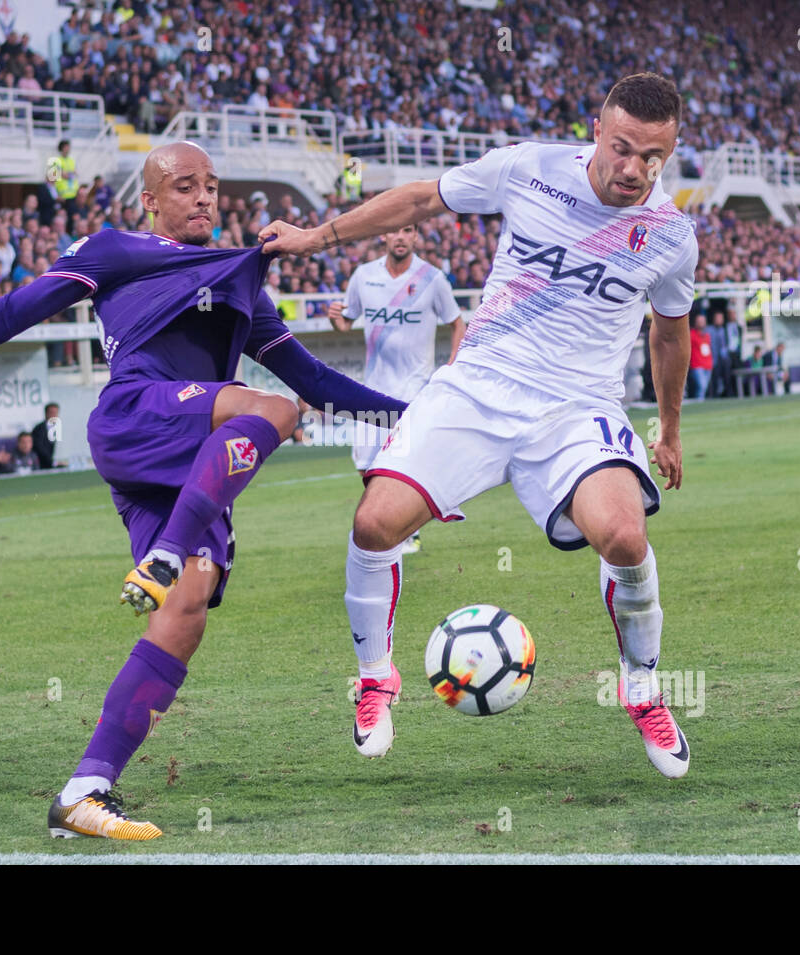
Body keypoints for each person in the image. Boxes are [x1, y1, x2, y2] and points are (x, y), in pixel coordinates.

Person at [0, 141, 405, 840]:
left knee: (189, 605)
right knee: (275, 411)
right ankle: (166, 553)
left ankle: (83, 792)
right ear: (150, 199)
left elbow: (320, 381)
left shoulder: (235, 280)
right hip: (138, 417)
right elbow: (10, 311)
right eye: (185, 185)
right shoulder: (114, 250)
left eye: (212, 186)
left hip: (195, 459)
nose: (203, 197)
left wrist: (425, 422)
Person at [261, 72, 697, 777]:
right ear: (597, 127)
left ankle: (642, 686)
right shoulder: (529, 168)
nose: (633, 169)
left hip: (576, 406)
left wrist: (670, 428)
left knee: (624, 533)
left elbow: (669, 334)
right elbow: (418, 198)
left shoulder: (671, 236)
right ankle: (376, 677)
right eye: (622, 148)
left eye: (653, 157)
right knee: (375, 524)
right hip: (477, 387)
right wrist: (318, 236)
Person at [326, 224, 464, 555]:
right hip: (372, 390)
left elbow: (458, 323)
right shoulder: (363, 276)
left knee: (404, 463)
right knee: (365, 466)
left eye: (408, 231)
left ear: (416, 236)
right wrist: (336, 319)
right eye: (394, 231)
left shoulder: (432, 278)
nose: (400, 237)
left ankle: (406, 531)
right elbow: (347, 322)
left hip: (413, 390)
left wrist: (452, 366)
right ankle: (384, 525)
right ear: (383, 236)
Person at [687, 311, 712, 400]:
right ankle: (699, 403)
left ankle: (700, 401)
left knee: (703, 388)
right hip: (697, 365)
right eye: (699, 321)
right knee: (701, 386)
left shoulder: (707, 335)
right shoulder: (691, 335)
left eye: (703, 321)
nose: (701, 323)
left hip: (707, 365)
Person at [30, 402, 61, 469]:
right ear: (46, 413)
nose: (54, 415)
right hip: (40, 466)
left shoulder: (54, 428)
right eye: (52, 412)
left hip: (49, 464)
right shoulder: (39, 429)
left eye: (56, 413)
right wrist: (53, 463)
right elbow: (39, 450)